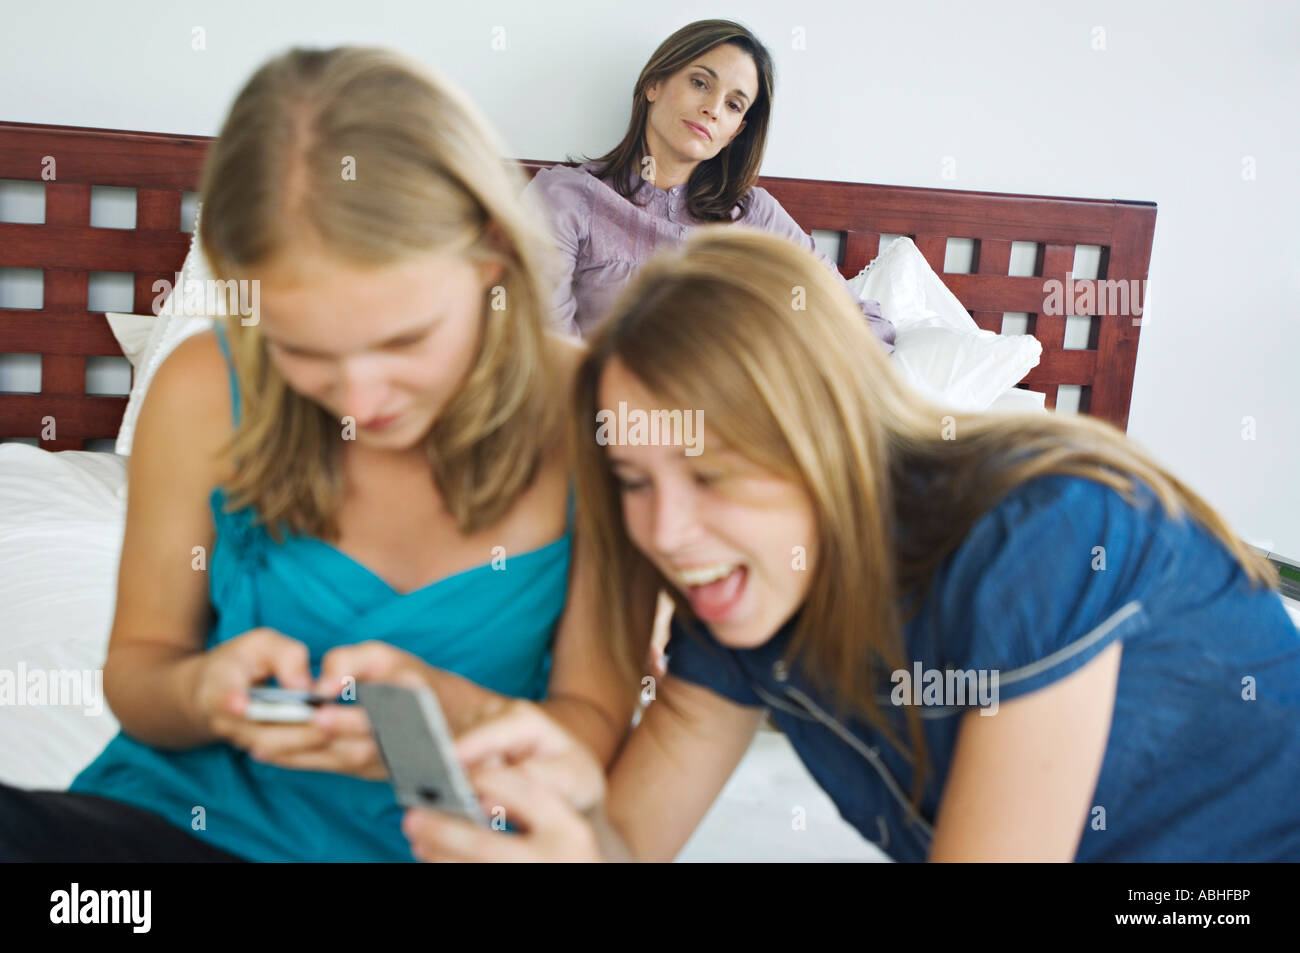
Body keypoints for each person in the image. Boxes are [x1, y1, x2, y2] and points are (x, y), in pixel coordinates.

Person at [400, 226, 1300, 862]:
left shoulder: (1039, 536)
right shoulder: (745, 603)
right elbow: (628, 843)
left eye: (711, 473)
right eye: (635, 480)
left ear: (825, 434)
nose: (666, 536)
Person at [0, 46, 631, 863]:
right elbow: (141, 673)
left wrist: (456, 712)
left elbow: (597, 729)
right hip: (172, 831)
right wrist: (204, 692)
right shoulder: (204, 386)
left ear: (490, 259)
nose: (362, 402)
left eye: (405, 338)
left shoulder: (596, 413)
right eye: (302, 351)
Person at [524, 18, 896, 351]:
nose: (714, 108)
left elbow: (861, 324)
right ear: (654, 82)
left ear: (737, 132)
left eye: (734, 105)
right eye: (700, 83)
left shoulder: (754, 216)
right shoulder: (565, 199)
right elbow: (544, 353)